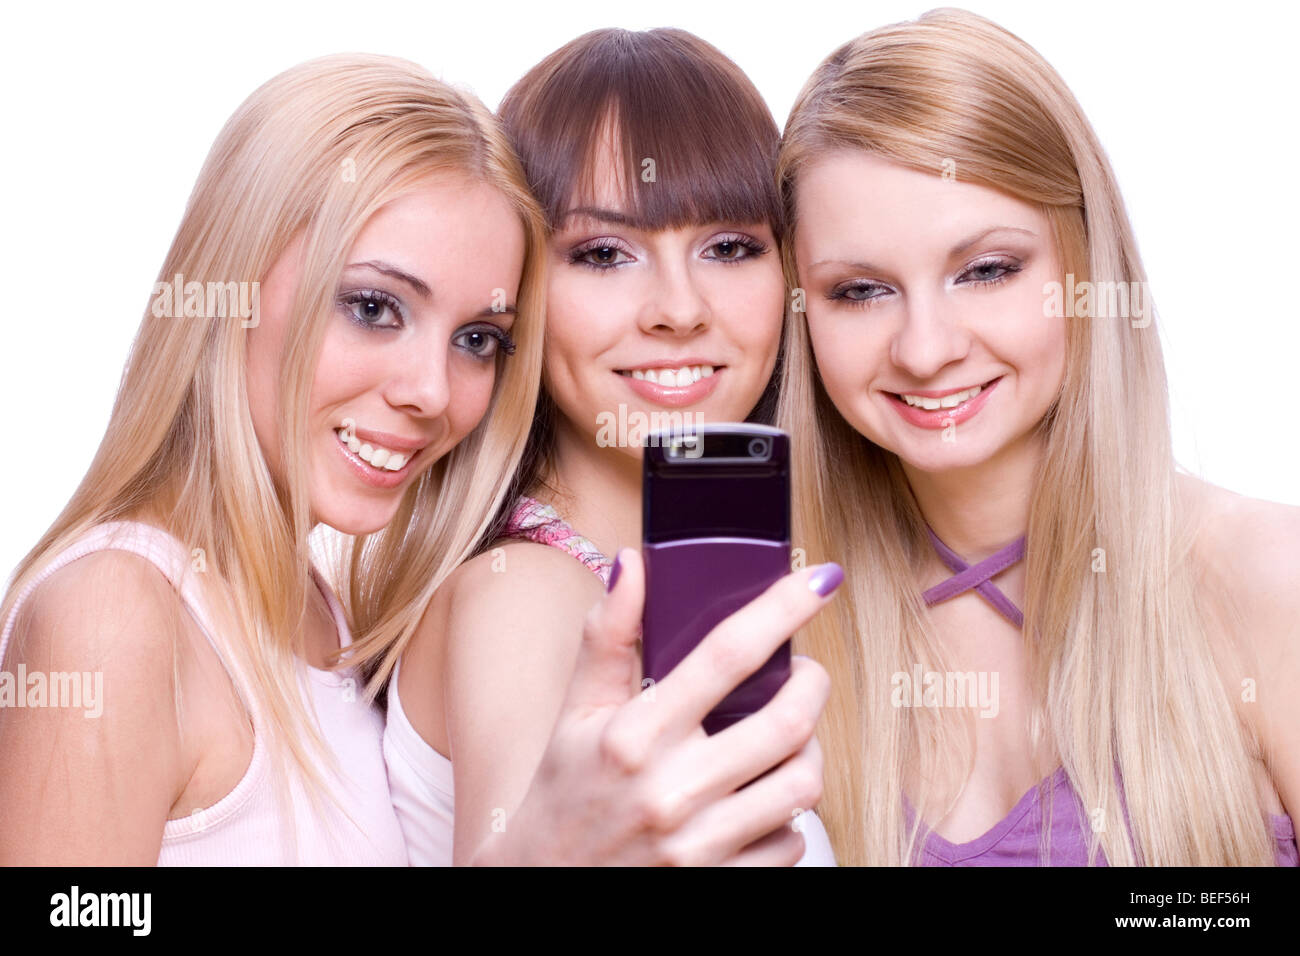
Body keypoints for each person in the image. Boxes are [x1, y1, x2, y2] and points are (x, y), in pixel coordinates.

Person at [0, 52, 835, 867]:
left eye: (479, 340)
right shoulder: (112, 612)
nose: (432, 392)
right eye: (373, 307)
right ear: (228, 284)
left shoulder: (316, 614)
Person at [775, 8, 1300, 866]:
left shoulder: (1269, 576)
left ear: (1085, 262)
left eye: (986, 271)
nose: (926, 348)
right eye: (860, 291)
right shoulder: (784, 627)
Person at [378, 28, 838, 865]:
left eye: (729, 247)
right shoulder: (526, 597)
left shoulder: (727, 578)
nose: (679, 308)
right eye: (604, 253)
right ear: (519, 288)